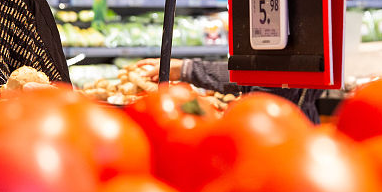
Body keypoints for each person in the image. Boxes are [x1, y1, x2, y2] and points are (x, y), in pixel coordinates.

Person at [134, 58, 323, 124]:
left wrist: (188, 69)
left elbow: (263, 79)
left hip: (285, 131)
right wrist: (186, 68)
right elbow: (251, 75)